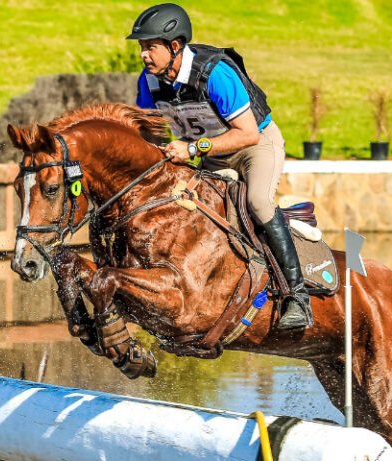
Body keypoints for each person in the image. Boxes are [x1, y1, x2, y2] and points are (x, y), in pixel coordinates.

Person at [127, 3, 312, 330]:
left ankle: (297, 297)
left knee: (258, 201)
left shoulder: (214, 74)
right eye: (141, 47)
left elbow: (248, 134)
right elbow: (148, 132)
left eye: (149, 47)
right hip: (213, 154)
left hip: (256, 146)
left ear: (174, 46)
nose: (143, 54)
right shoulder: (151, 80)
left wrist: (192, 148)